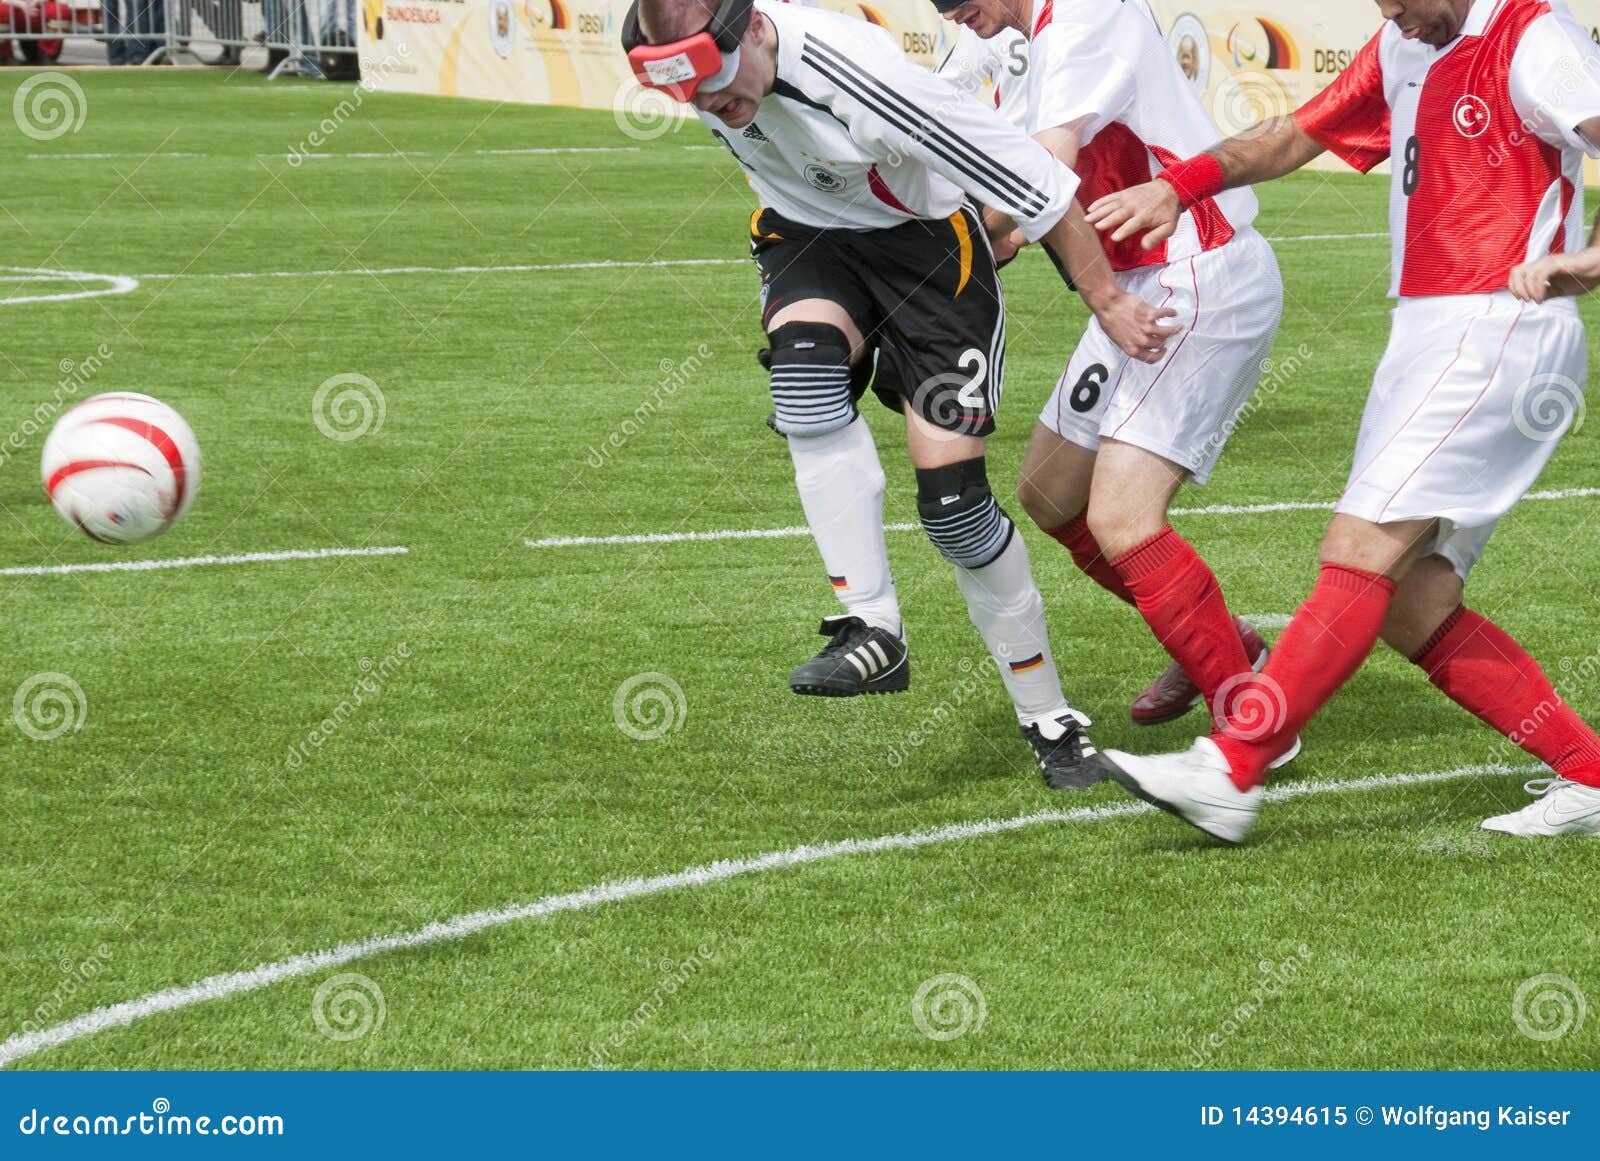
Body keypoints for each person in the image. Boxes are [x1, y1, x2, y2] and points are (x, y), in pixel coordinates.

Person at [621, 0, 1178, 785]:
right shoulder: (700, 57)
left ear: (751, 31)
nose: (707, 103)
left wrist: (1109, 301)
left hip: (931, 257)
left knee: (955, 510)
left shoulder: (868, 80)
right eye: (685, 92)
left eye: (712, 80)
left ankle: (1051, 721)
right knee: (805, 380)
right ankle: (871, 624)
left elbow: (1044, 188)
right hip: (808, 234)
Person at [1087, 0, 1600, 842]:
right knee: (1411, 599)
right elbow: (1296, 133)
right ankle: (1588, 772)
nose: (1392, 12)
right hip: (1431, 333)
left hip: (1495, 330)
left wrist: (1592, 258)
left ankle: (1233, 765)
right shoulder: (1403, 41)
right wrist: (1179, 186)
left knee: (1363, 548)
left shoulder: (1531, 34)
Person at [931, 0, 1287, 744]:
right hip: (1132, 288)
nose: (961, 20)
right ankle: (1220, 643)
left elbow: (1045, 169)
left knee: (1122, 518)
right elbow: (1023, 191)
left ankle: (1255, 728)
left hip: (1197, 275)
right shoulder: (1025, 40)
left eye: (963, 4)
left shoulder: (1086, 15)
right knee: (1049, 492)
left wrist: (952, 240)